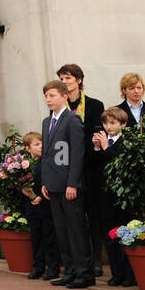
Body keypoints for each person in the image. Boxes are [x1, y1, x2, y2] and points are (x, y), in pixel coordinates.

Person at [40, 79, 92, 288]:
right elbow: (47, 155)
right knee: (61, 230)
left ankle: (84, 273)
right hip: (53, 184)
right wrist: (45, 181)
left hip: (69, 185)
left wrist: (73, 183)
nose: (48, 100)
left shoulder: (72, 119)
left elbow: (77, 153)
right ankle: (70, 270)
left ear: (63, 96)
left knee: (75, 229)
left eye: (51, 96)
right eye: (45, 96)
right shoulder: (46, 122)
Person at [57, 63, 106, 278]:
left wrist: (82, 148)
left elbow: (97, 133)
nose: (65, 82)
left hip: (90, 167)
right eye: (62, 78)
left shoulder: (94, 105)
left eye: (68, 78)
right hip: (68, 168)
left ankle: (96, 260)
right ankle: (79, 259)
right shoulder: (59, 107)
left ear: (78, 80)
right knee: (75, 218)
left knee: (94, 214)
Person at [93, 107, 136, 287]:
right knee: (109, 238)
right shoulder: (103, 143)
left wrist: (105, 148)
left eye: (113, 123)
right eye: (105, 123)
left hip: (122, 199)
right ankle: (116, 273)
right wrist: (96, 149)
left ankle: (129, 275)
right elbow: (94, 168)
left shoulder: (127, 142)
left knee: (124, 236)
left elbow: (121, 165)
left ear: (123, 124)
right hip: (105, 199)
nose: (108, 127)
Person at [20, 131, 61, 281]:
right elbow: (21, 182)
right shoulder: (24, 165)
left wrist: (40, 197)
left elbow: (49, 181)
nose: (41, 146)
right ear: (27, 148)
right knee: (36, 236)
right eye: (36, 144)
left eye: (42, 143)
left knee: (49, 235)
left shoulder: (47, 162)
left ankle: (53, 267)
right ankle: (38, 266)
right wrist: (25, 192)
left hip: (45, 203)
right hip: (31, 205)